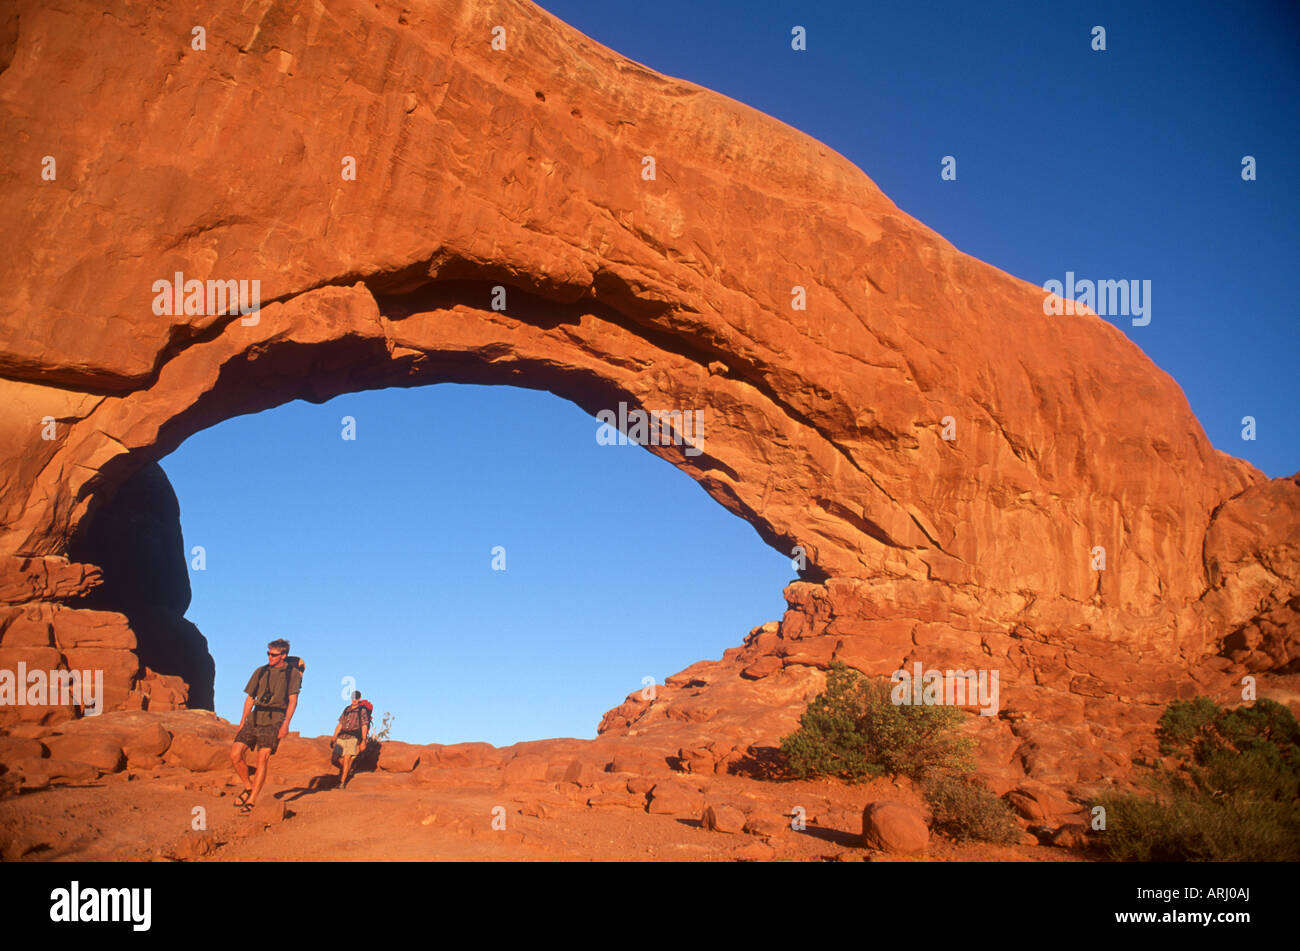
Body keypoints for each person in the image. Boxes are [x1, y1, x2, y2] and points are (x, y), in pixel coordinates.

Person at [229, 639, 301, 815]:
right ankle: (248, 787)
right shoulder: (260, 671)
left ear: (283, 655)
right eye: (268, 653)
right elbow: (250, 698)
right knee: (235, 754)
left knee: (263, 758)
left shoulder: (292, 674)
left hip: (275, 719)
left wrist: (286, 724)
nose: (270, 657)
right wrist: (242, 722)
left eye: (274, 654)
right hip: (255, 717)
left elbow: (293, 701)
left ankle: (252, 800)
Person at [330, 690, 371, 789]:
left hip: (353, 737)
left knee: (347, 759)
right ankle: (346, 770)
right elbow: (340, 724)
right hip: (342, 737)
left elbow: (364, 725)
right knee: (334, 759)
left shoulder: (362, 710)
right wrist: (334, 737)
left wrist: (363, 740)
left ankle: (342, 783)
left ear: (359, 699)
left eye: (356, 698)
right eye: (353, 698)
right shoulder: (347, 709)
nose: (354, 700)